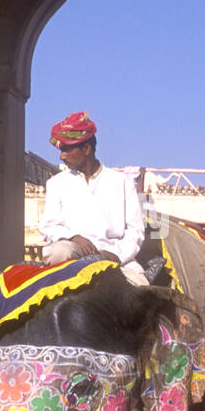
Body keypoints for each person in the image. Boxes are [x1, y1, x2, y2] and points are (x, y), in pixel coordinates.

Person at [40, 110, 149, 285]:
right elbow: (49, 226)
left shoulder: (121, 182)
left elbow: (135, 231)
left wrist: (115, 255)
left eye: (67, 149)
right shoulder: (56, 183)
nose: (62, 156)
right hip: (74, 253)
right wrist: (74, 237)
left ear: (86, 148)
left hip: (114, 257)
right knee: (58, 252)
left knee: (142, 291)